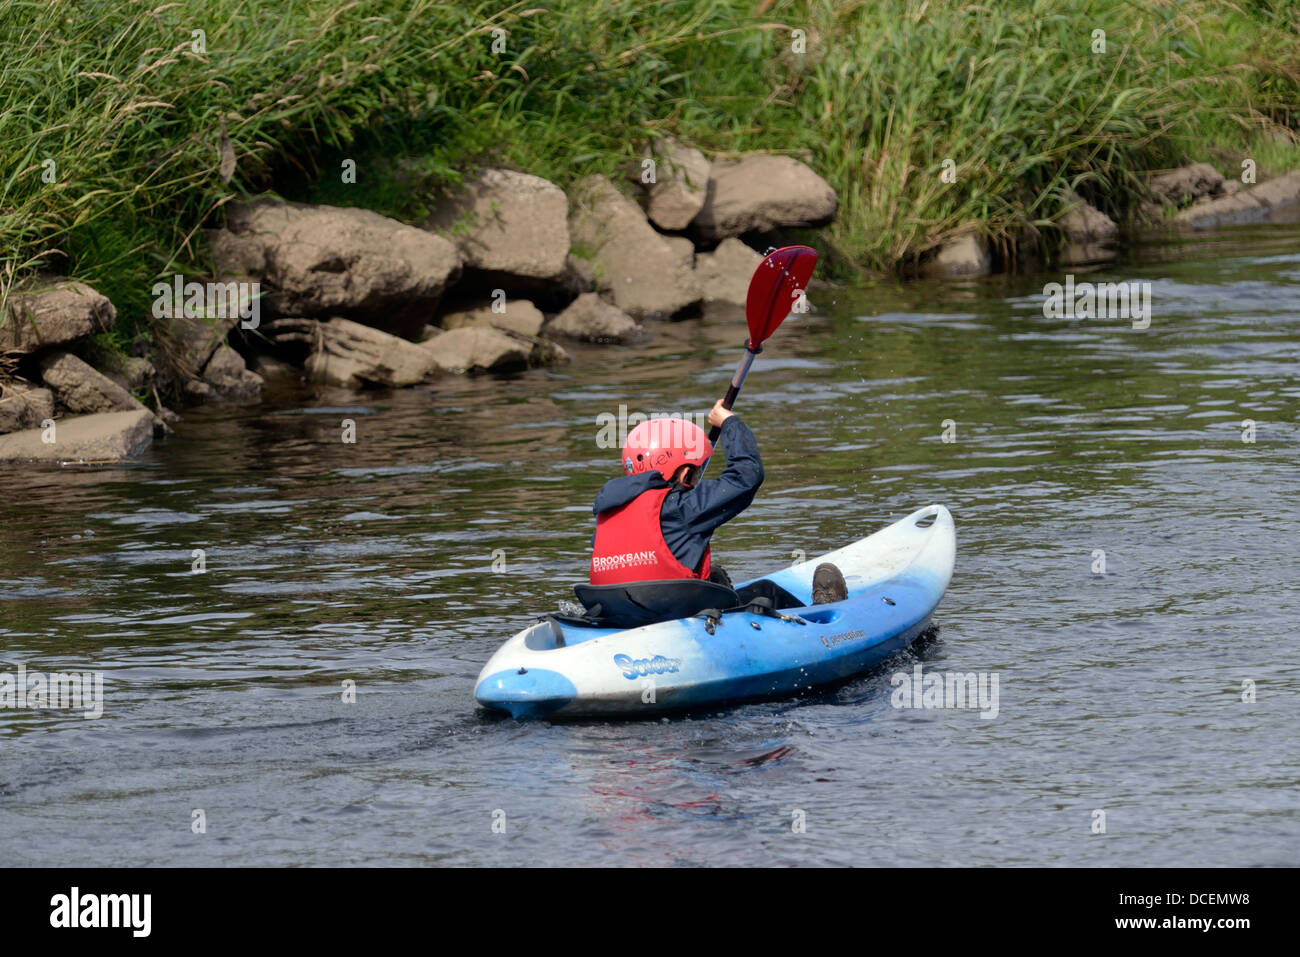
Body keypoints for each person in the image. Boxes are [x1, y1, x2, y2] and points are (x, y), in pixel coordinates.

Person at [588, 400, 847, 604]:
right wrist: (730, 423)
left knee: (709, 574)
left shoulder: (606, 515)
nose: (698, 479)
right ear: (683, 473)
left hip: (620, 611)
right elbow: (746, 476)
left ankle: (714, 588)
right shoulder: (681, 508)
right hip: (667, 614)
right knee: (766, 592)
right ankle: (824, 613)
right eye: (696, 472)